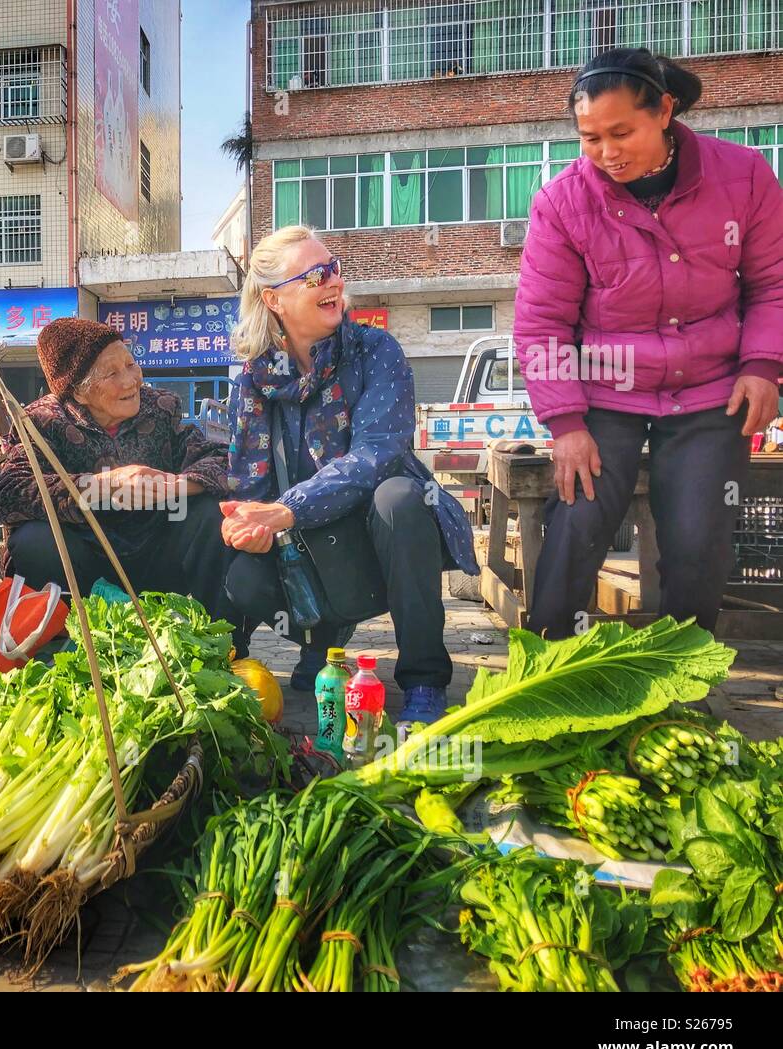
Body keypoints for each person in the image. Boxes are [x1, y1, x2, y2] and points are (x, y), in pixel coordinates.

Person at [515, 49, 783, 638]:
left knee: (698, 540)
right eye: (589, 138)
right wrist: (565, 424)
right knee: (578, 521)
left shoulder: (742, 177)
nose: (607, 153)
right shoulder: (562, 203)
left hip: (711, 390)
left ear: (664, 111)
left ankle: (680, 675)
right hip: (604, 389)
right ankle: (544, 667)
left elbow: (773, 284)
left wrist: (763, 365)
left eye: (621, 132)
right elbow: (542, 324)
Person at [222, 226, 477, 722]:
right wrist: (248, 522)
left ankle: (424, 677)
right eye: (316, 275)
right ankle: (318, 645)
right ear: (274, 299)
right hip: (308, 542)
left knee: (401, 498)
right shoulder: (252, 380)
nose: (333, 282)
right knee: (238, 567)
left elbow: (377, 454)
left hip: (378, 531)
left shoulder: (375, 351)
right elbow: (249, 482)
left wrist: (285, 510)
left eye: (334, 268)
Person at [0, 317, 243, 643]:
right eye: (112, 373)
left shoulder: (160, 408)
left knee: (212, 514)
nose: (131, 381)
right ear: (78, 392)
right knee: (34, 540)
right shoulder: (41, 422)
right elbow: (8, 493)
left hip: (153, 553)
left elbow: (223, 461)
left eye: (131, 364)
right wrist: (105, 486)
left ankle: (224, 646)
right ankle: (62, 644)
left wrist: (174, 485)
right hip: (84, 557)